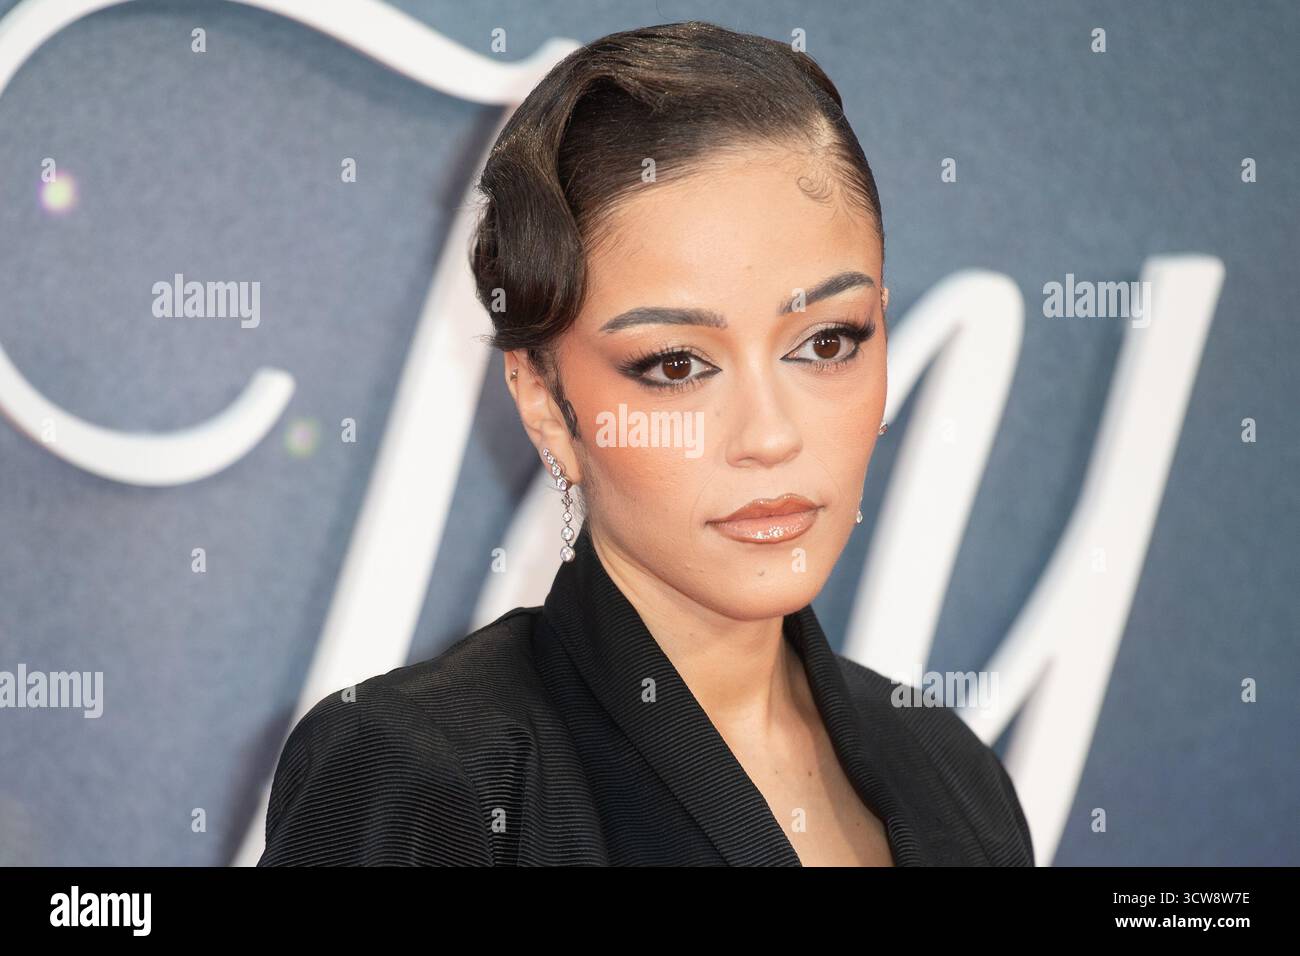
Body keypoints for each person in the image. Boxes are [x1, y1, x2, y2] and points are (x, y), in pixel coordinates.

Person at [258, 19, 1034, 867]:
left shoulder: (953, 775)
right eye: (675, 364)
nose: (770, 436)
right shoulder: (425, 779)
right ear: (545, 399)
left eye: (826, 342)